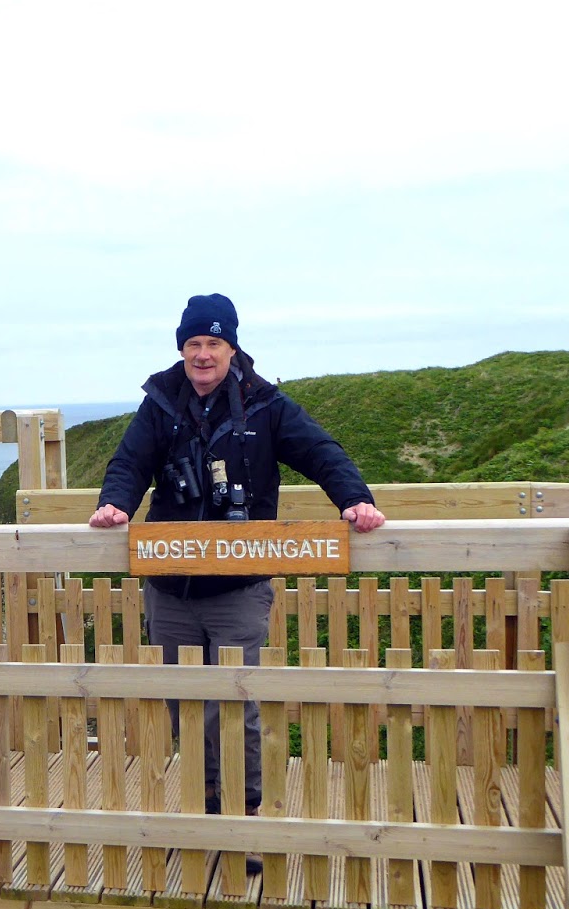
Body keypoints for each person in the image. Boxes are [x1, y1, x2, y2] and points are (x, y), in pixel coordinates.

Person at [89, 293, 386, 863]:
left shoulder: (266, 405)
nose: (203, 355)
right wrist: (115, 506)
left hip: (238, 586)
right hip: (172, 586)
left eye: (214, 344)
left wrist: (355, 500)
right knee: (184, 703)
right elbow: (128, 463)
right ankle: (205, 821)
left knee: (235, 704)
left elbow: (322, 452)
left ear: (232, 348)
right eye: (194, 344)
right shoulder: (160, 403)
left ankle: (243, 823)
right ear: (182, 348)